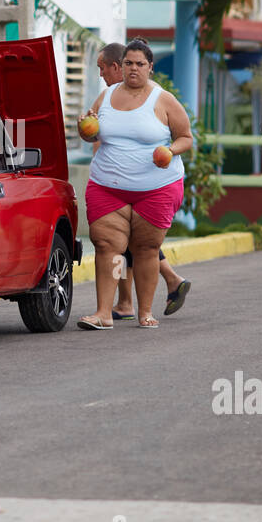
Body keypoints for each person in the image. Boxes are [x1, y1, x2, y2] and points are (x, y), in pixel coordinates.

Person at [78, 38, 193, 330]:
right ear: (123, 65)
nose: (133, 69)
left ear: (150, 68)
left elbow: (185, 137)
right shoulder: (106, 96)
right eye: (129, 63)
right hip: (107, 186)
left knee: (146, 249)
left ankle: (144, 312)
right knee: (106, 245)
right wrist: (87, 130)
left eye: (140, 64)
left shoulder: (163, 99)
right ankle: (104, 313)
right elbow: (94, 135)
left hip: (156, 187)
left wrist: (170, 151)